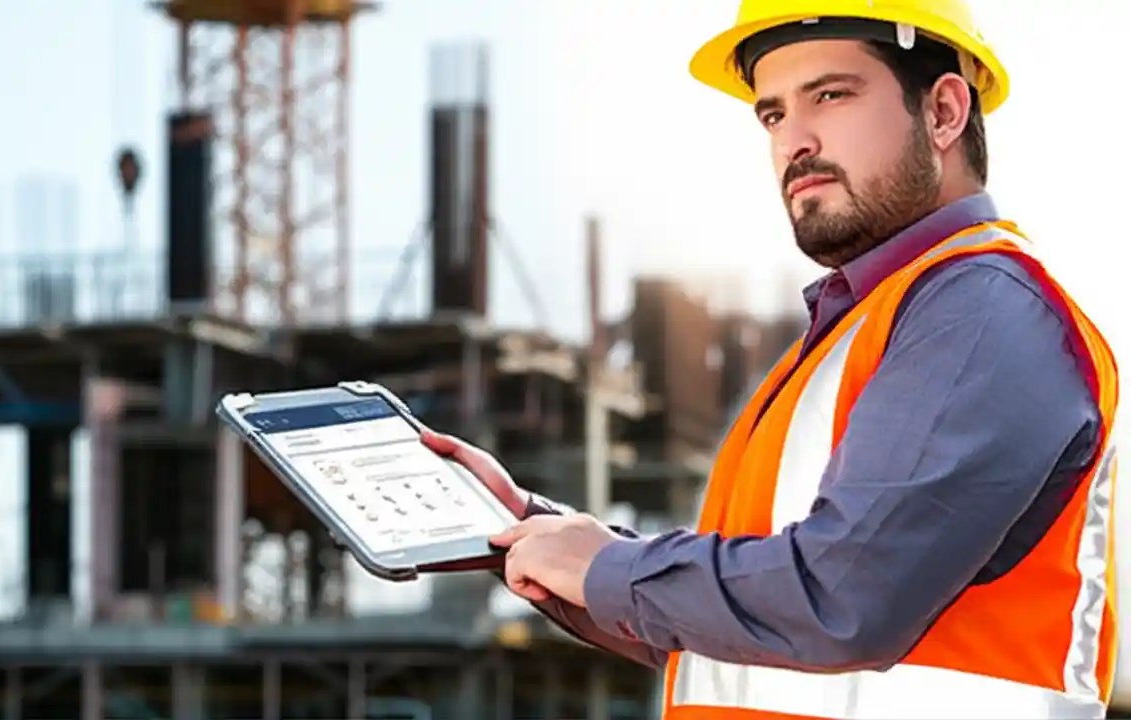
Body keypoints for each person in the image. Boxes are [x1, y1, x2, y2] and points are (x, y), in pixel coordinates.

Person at [420, 1, 1121, 718]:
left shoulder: (982, 310)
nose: (795, 142)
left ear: (943, 111)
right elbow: (733, 632)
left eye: (831, 95)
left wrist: (605, 567)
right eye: (774, 114)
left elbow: (841, 601)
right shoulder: (856, 332)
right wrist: (526, 532)